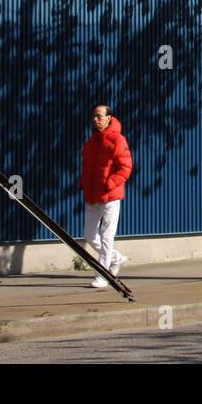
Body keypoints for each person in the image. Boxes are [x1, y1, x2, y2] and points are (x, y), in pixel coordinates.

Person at [79, 103, 132, 289]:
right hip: (92, 196)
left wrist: (108, 184)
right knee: (89, 235)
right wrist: (84, 184)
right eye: (94, 116)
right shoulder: (91, 141)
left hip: (110, 197)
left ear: (109, 118)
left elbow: (125, 168)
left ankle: (103, 275)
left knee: (106, 238)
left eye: (99, 116)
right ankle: (116, 259)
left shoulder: (118, 140)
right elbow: (87, 167)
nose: (95, 119)